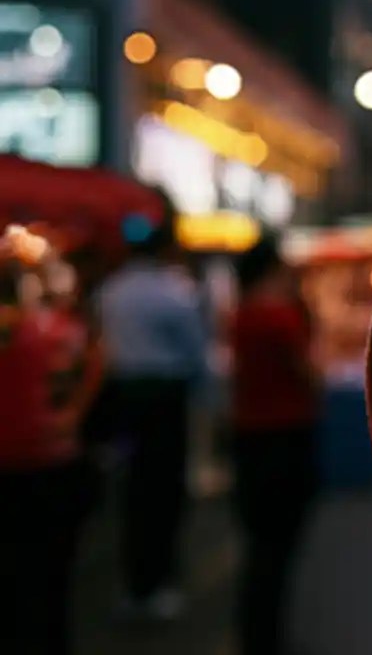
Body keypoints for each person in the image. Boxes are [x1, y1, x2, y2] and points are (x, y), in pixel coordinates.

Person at [97, 211, 206, 619]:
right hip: (165, 400)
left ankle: (134, 583)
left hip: (126, 397)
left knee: (133, 494)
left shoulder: (112, 291)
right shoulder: (173, 291)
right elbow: (196, 350)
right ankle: (160, 581)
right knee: (164, 492)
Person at [0, 229, 99, 654]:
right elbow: (98, 360)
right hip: (53, 465)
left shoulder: (31, 332)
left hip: (21, 469)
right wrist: (75, 410)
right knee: (50, 581)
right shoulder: (62, 330)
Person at [230, 236, 319, 655]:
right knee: (277, 548)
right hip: (284, 436)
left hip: (249, 434)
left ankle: (257, 635)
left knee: (259, 545)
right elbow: (309, 372)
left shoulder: (240, 314)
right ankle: (266, 639)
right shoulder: (280, 318)